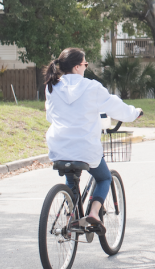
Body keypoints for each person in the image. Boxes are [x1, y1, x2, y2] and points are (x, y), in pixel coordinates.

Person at [44, 47, 143, 233]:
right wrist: (135, 113)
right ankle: (95, 212)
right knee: (104, 177)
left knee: (71, 178)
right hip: (85, 148)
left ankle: (71, 216)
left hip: (59, 147)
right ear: (76, 67)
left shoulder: (51, 87)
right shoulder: (91, 87)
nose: (86, 68)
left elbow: (51, 117)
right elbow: (117, 107)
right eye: (85, 64)